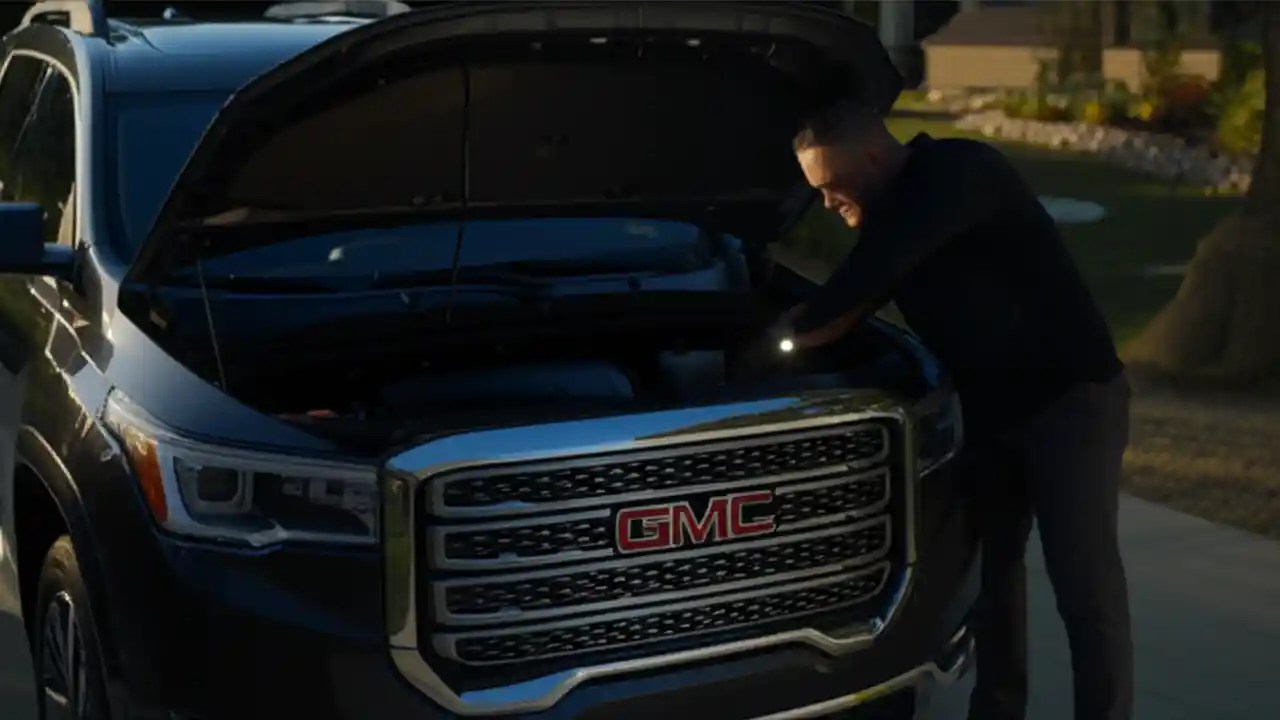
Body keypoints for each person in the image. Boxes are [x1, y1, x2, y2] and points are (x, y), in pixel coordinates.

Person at [779, 99, 1133, 720]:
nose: (829, 204)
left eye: (832, 186)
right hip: (992, 414)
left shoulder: (959, 174)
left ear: (869, 155)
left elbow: (857, 287)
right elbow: (855, 306)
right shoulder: (891, 215)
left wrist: (768, 344)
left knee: (1083, 585)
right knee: (994, 584)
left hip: (1070, 403)